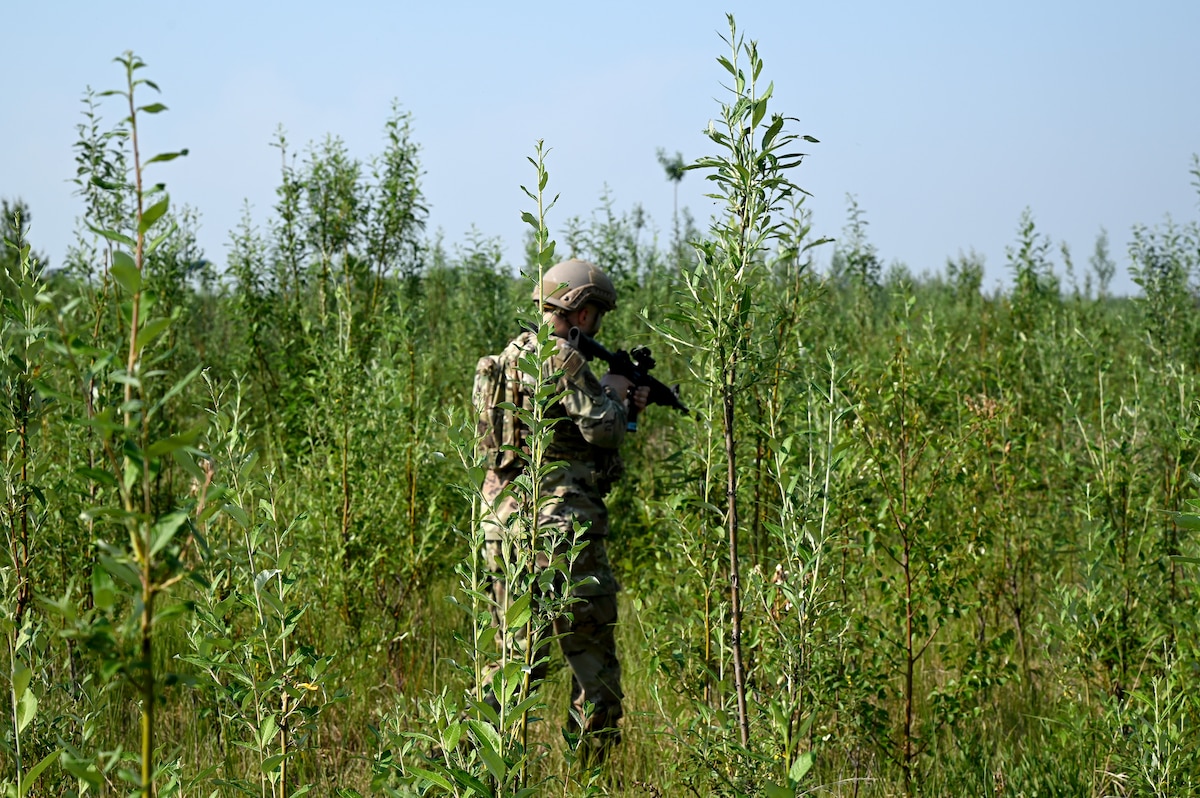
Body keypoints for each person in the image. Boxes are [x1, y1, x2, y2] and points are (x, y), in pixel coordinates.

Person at [474, 257, 649, 765]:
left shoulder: (508, 357)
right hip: (561, 530)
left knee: (512, 661)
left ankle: (482, 768)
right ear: (580, 311)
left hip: (503, 526)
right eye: (596, 312)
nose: (597, 323)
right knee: (592, 660)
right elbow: (604, 430)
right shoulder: (561, 358)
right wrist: (619, 398)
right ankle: (592, 772)